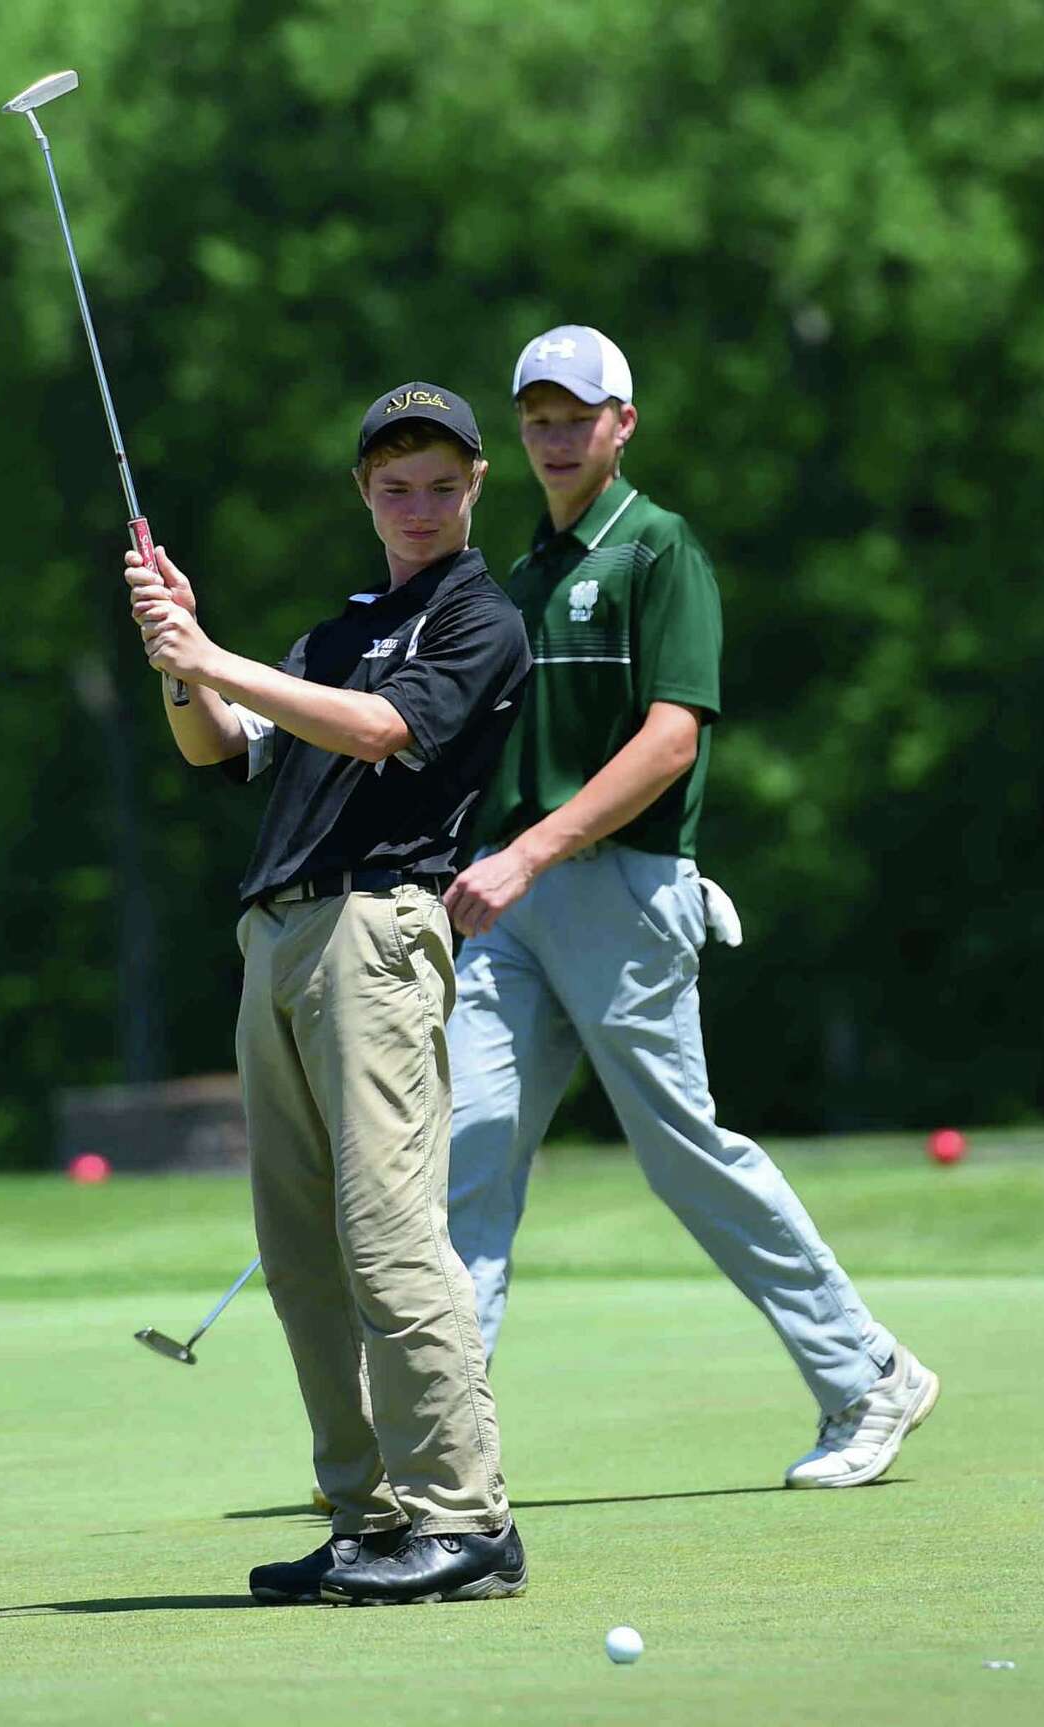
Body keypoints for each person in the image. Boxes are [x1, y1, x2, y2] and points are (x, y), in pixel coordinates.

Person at [443, 327, 939, 1490]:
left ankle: (868, 1371)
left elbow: (670, 741)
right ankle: (436, 1427)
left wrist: (531, 853)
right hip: (515, 903)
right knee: (468, 1146)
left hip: (622, 889)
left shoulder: (660, 551)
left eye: (579, 415)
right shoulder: (523, 575)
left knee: (684, 1156)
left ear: (624, 424)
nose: (556, 437)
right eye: (538, 417)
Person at [125, 381, 531, 1604]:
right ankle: (369, 1518)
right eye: (396, 485)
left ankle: (465, 1518)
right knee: (300, 1252)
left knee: (390, 1236)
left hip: (377, 931)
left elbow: (375, 731)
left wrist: (217, 655)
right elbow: (220, 745)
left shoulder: (480, 617)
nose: (419, 504)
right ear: (365, 491)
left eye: (442, 485)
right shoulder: (335, 630)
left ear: (474, 488)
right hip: (280, 937)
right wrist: (178, 661)